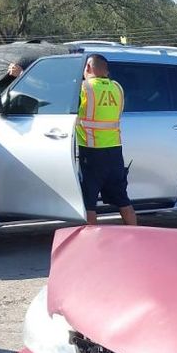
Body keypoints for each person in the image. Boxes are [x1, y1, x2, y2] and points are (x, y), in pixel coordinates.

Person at [75, 54, 136, 225]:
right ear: (106, 70)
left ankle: (92, 243)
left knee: (89, 203)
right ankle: (136, 234)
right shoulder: (117, 88)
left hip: (92, 152)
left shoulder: (84, 88)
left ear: (88, 68)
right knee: (123, 200)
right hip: (115, 152)